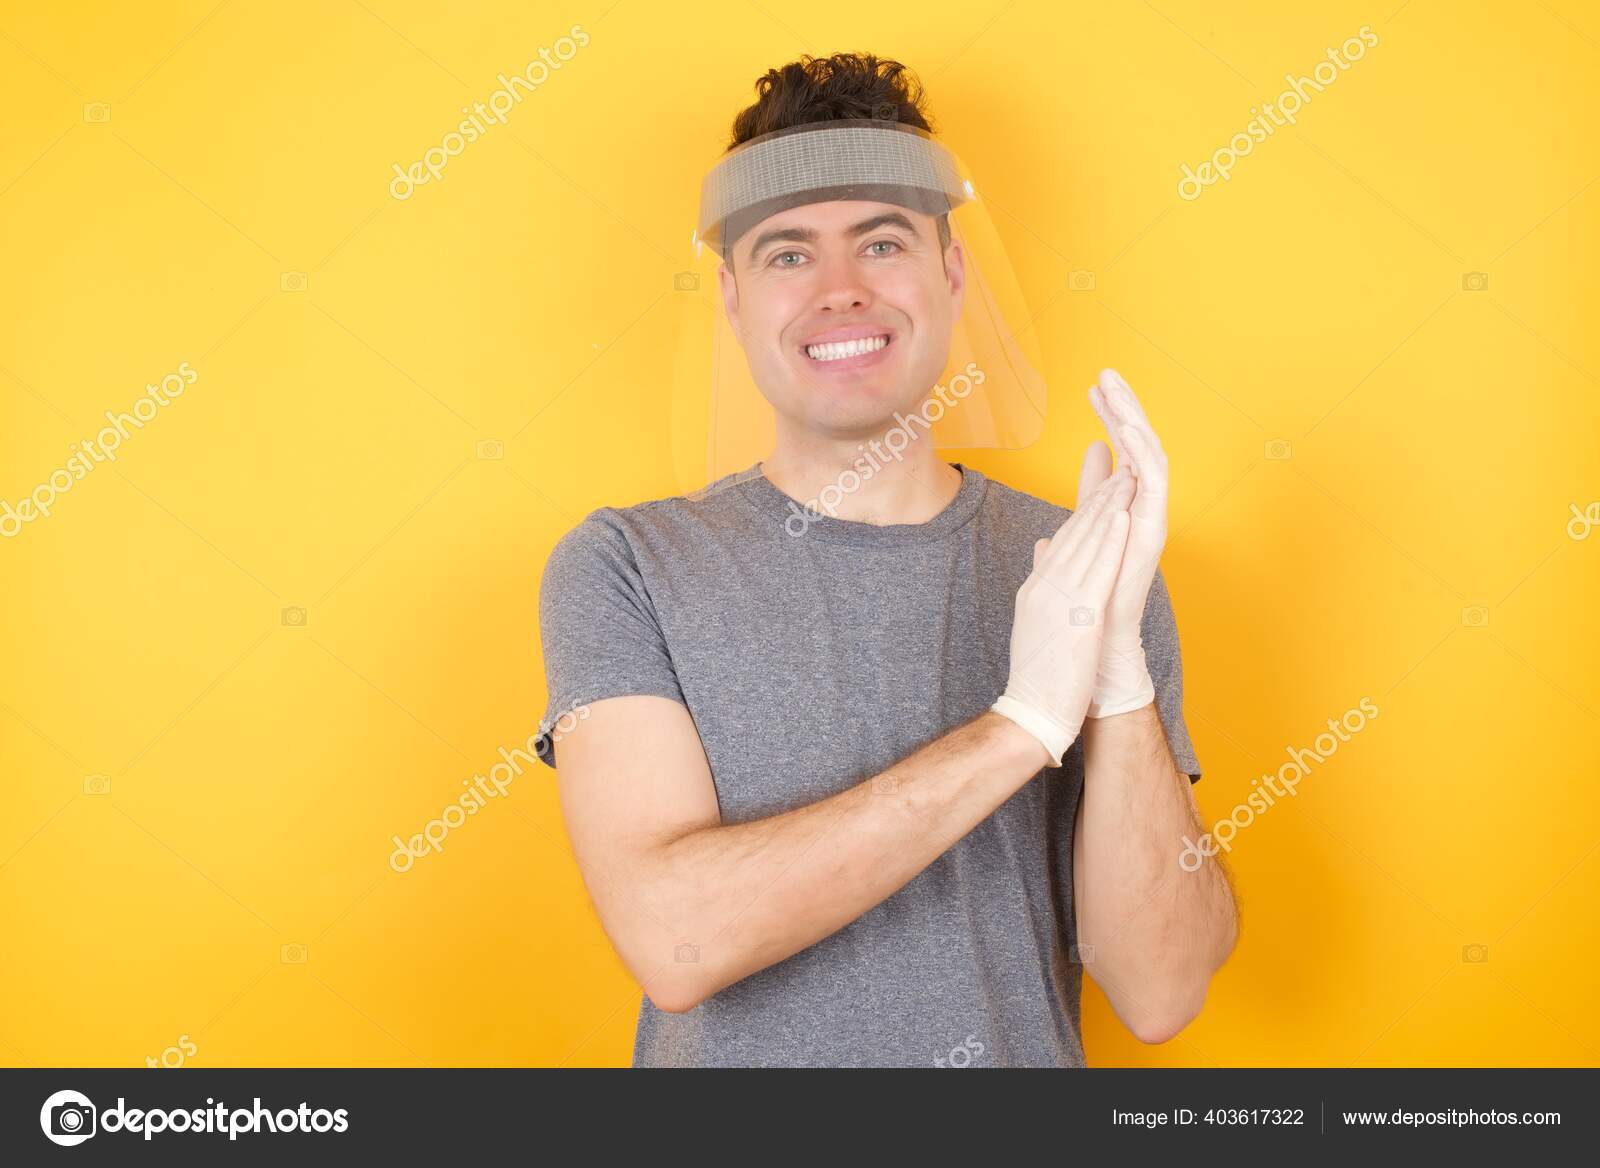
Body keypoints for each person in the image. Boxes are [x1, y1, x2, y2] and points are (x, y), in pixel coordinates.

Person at [536, 52, 1237, 1068]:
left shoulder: (1084, 563)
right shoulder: (626, 564)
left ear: (953, 274)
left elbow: (1160, 988)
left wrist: (1117, 682)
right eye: (786, 255)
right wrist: (1022, 726)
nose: (840, 291)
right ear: (732, 300)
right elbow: (676, 942)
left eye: (880, 242)